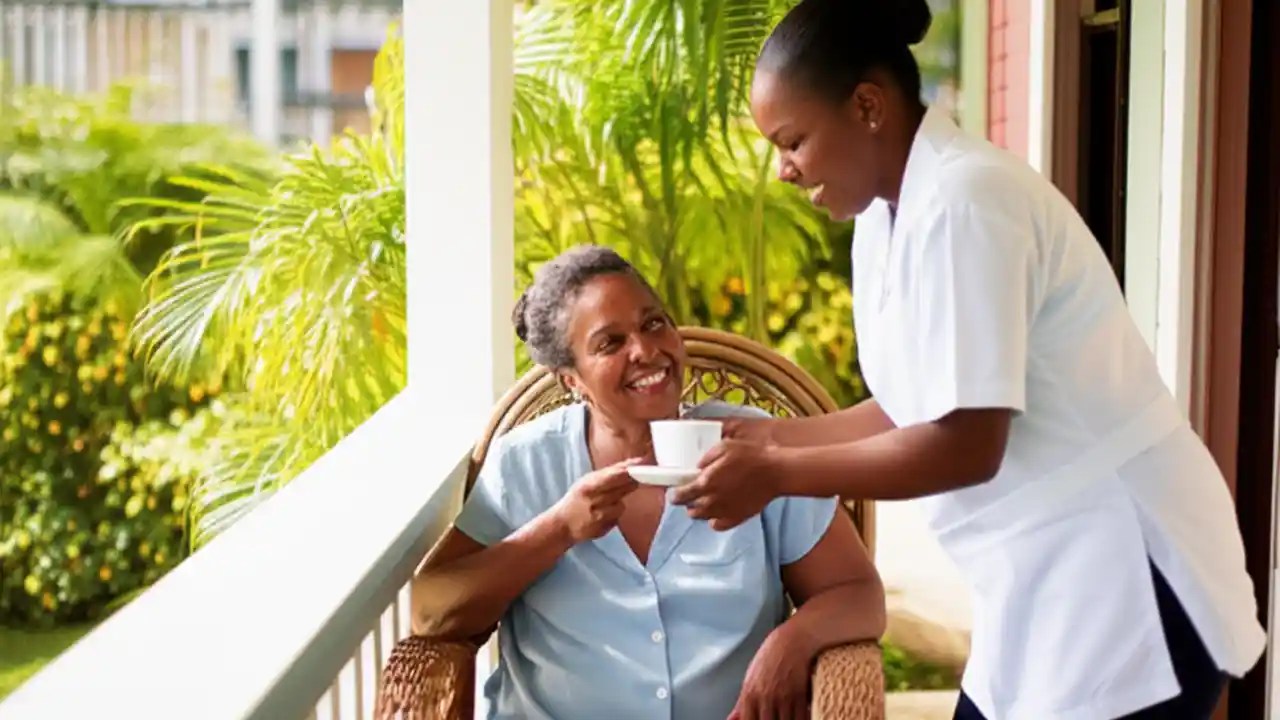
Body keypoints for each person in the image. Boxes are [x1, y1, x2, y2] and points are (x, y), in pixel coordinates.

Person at [669, 1, 1267, 718]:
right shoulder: (882, 219)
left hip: (1128, 573)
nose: (783, 172)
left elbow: (967, 444)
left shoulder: (968, 200)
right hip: (1043, 580)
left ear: (867, 106)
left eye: (791, 141)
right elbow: (911, 404)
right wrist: (766, 436)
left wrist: (777, 473)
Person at [408, 245, 885, 720]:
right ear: (570, 380)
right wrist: (558, 529)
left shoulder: (752, 447)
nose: (645, 350)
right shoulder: (527, 464)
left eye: (653, 323)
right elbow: (431, 610)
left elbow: (857, 593)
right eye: (610, 343)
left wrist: (790, 644)